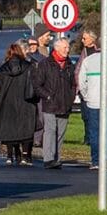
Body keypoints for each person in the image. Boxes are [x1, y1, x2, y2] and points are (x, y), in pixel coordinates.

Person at [78, 35, 107, 171]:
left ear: (96, 45)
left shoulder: (88, 61)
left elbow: (81, 82)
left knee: (94, 132)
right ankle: (105, 160)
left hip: (93, 102)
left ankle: (95, 161)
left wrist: (86, 96)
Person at [0, 39, 39, 166]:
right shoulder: (29, 67)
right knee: (26, 129)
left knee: (9, 128)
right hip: (26, 101)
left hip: (7, 102)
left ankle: (10, 156)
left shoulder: (3, 69)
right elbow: (35, 84)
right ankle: (25, 156)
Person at [31, 37, 76, 169]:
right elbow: (37, 84)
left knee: (60, 132)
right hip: (50, 103)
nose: (67, 50)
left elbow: (73, 84)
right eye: (65, 48)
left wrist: (71, 97)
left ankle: (56, 157)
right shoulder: (45, 64)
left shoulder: (69, 65)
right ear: (57, 49)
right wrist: (47, 96)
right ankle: (48, 159)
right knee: (50, 130)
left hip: (65, 103)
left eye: (68, 48)